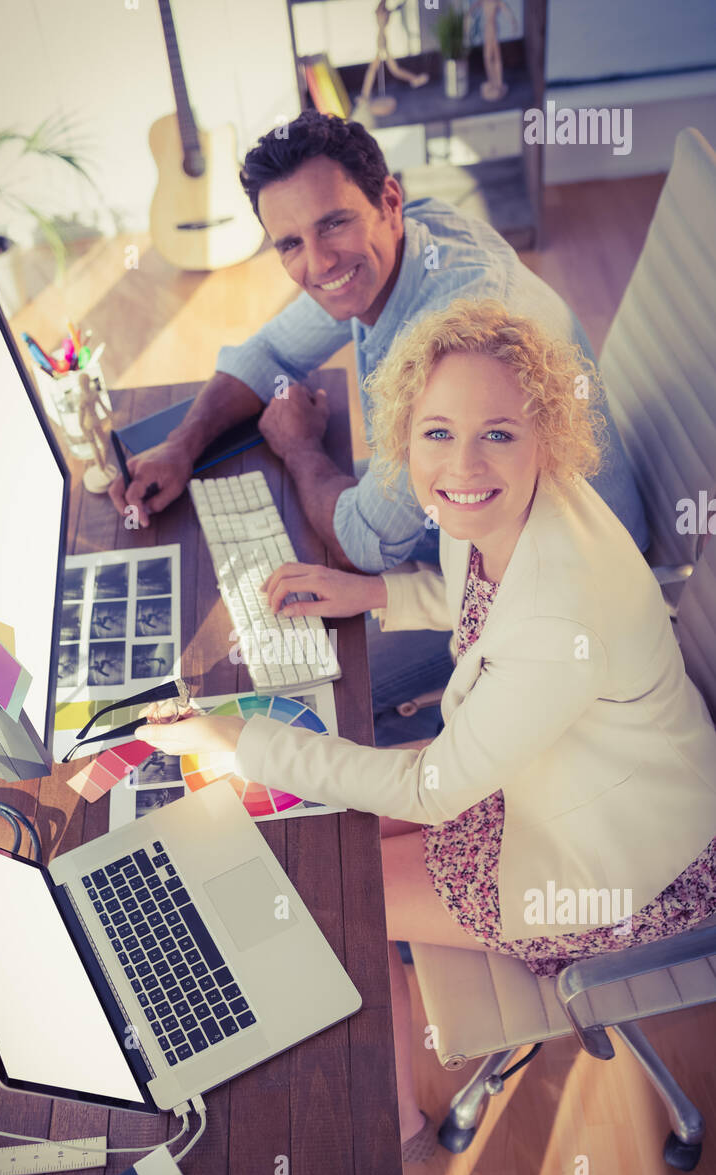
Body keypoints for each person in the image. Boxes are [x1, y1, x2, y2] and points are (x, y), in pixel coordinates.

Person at [138, 301, 716, 1161]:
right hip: (546, 772)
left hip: (611, 860)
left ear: (545, 436)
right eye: (438, 433)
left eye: (497, 435)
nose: (462, 465)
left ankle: (394, 1129)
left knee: (333, 889)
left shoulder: (562, 612)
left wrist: (236, 740)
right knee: (315, 829)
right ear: (406, 436)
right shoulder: (505, 507)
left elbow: (431, 787)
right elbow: (480, 598)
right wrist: (377, 593)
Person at [108, 111, 648, 746]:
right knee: (275, 550)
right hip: (475, 521)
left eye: (333, 223)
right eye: (290, 243)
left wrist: (299, 445)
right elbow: (267, 354)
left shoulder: (451, 342)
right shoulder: (404, 247)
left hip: (554, 593)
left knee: (291, 699)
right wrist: (180, 447)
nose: (317, 262)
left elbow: (361, 544)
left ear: (389, 202)